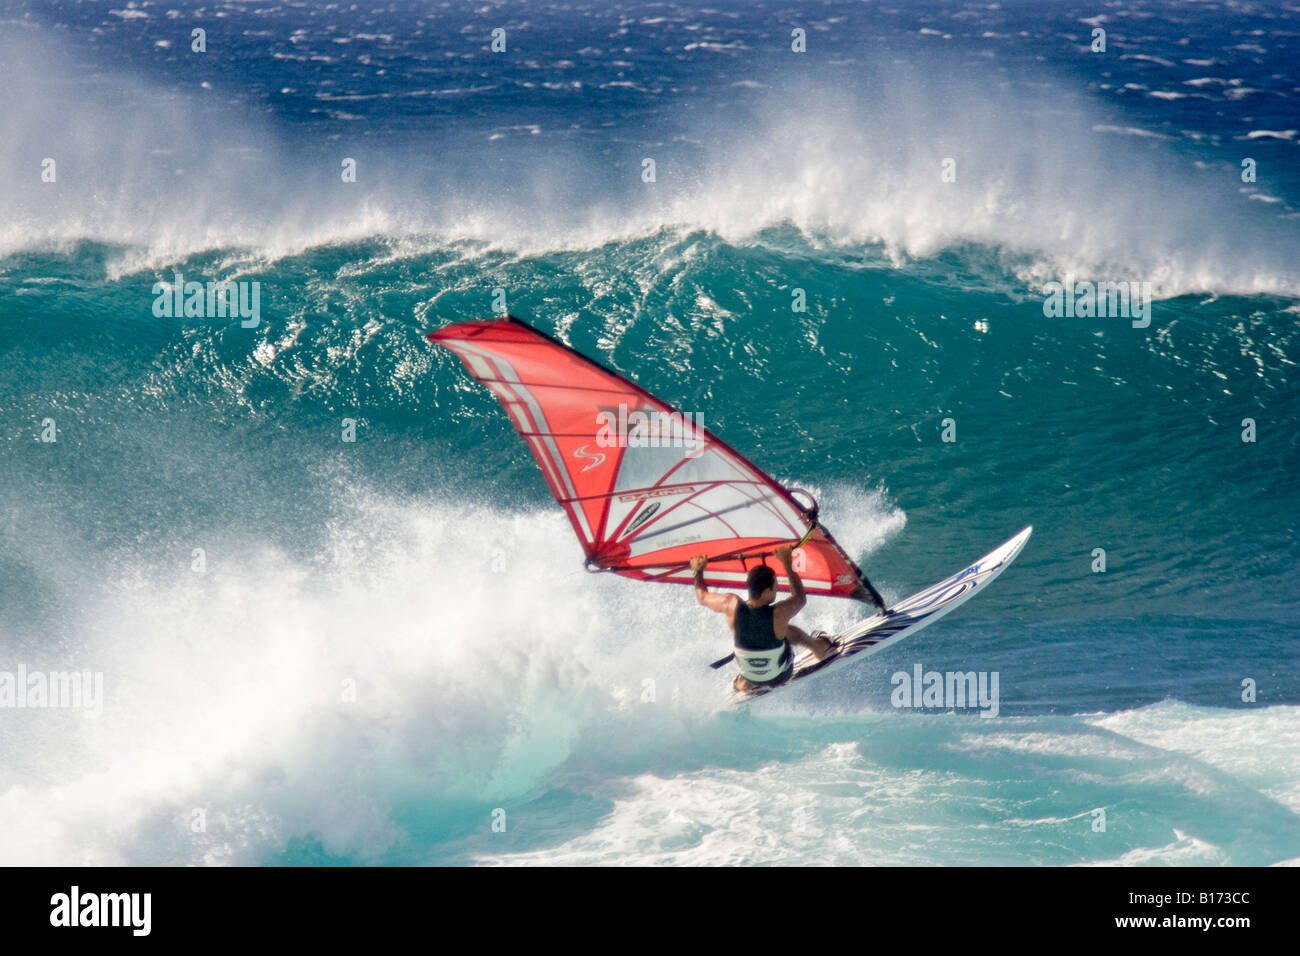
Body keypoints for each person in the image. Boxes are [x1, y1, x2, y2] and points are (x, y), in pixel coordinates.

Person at [691, 544, 836, 693]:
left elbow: (702, 597)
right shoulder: (778, 613)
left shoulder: (730, 605)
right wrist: (787, 563)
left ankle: (744, 683)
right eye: (775, 585)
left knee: (754, 644)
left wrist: (698, 570)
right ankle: (819, 649)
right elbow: (800, 598)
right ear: (767, 591)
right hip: (779, 676)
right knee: (790, 632)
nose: (778, 588)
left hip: (751, 677)